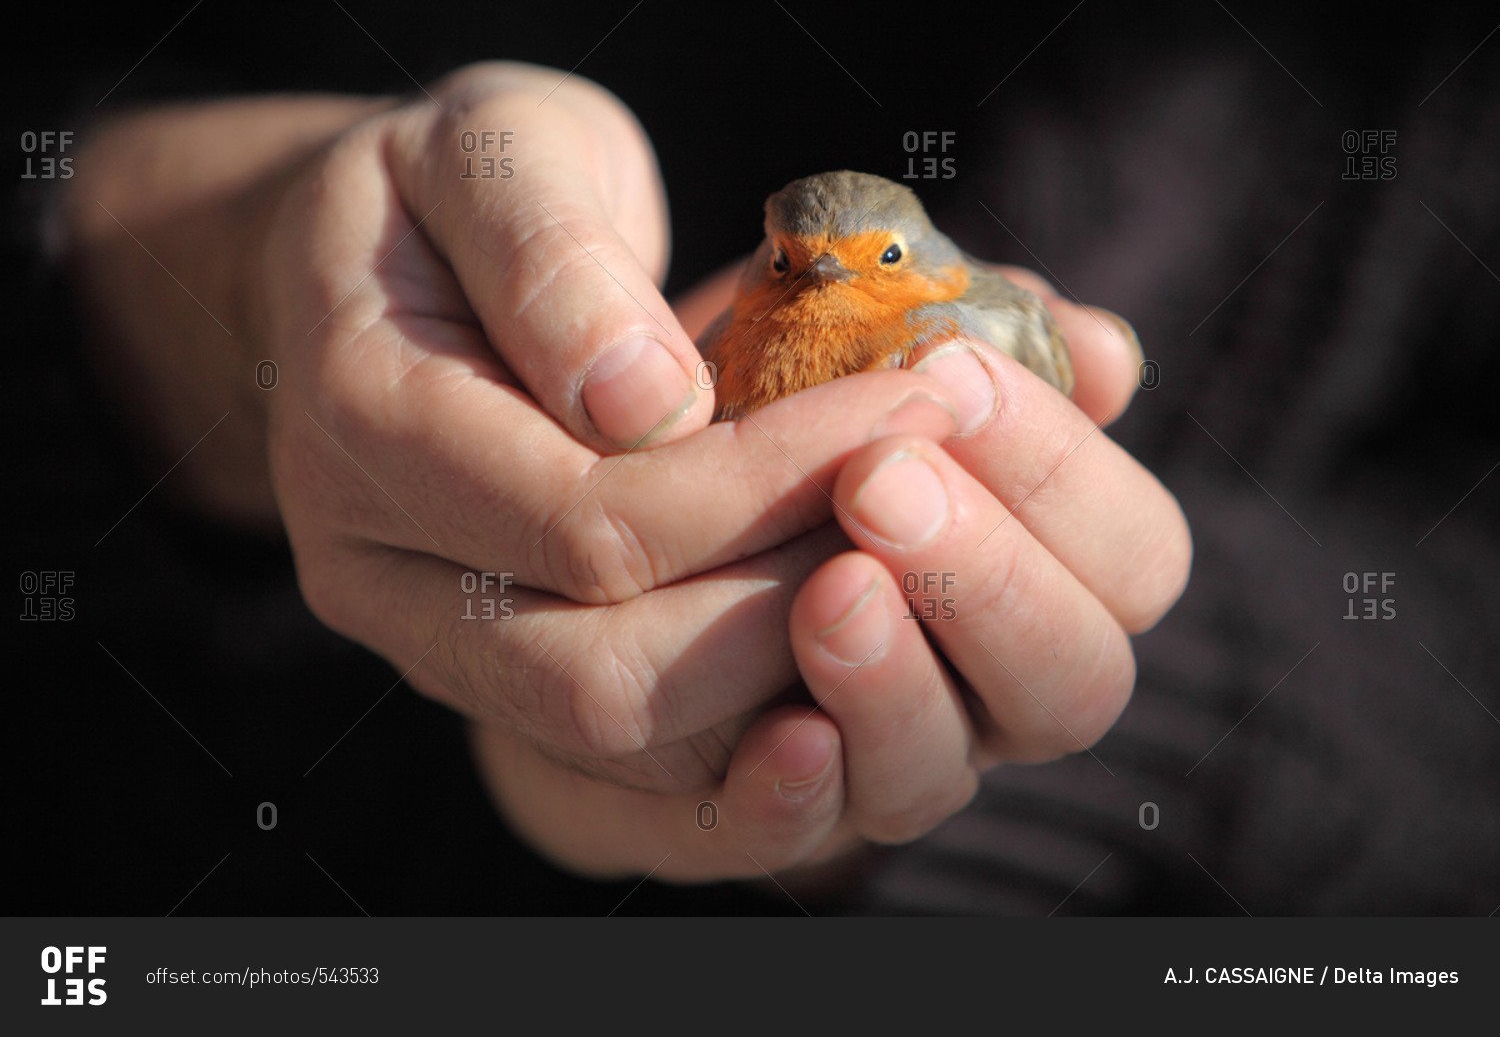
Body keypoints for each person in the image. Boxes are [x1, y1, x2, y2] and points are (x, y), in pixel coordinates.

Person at [59, 61, 1188, 882]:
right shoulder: (730, 349)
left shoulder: (966, 333)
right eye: (788, 264)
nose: (817, 288)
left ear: (919, 260)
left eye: (874, 263)